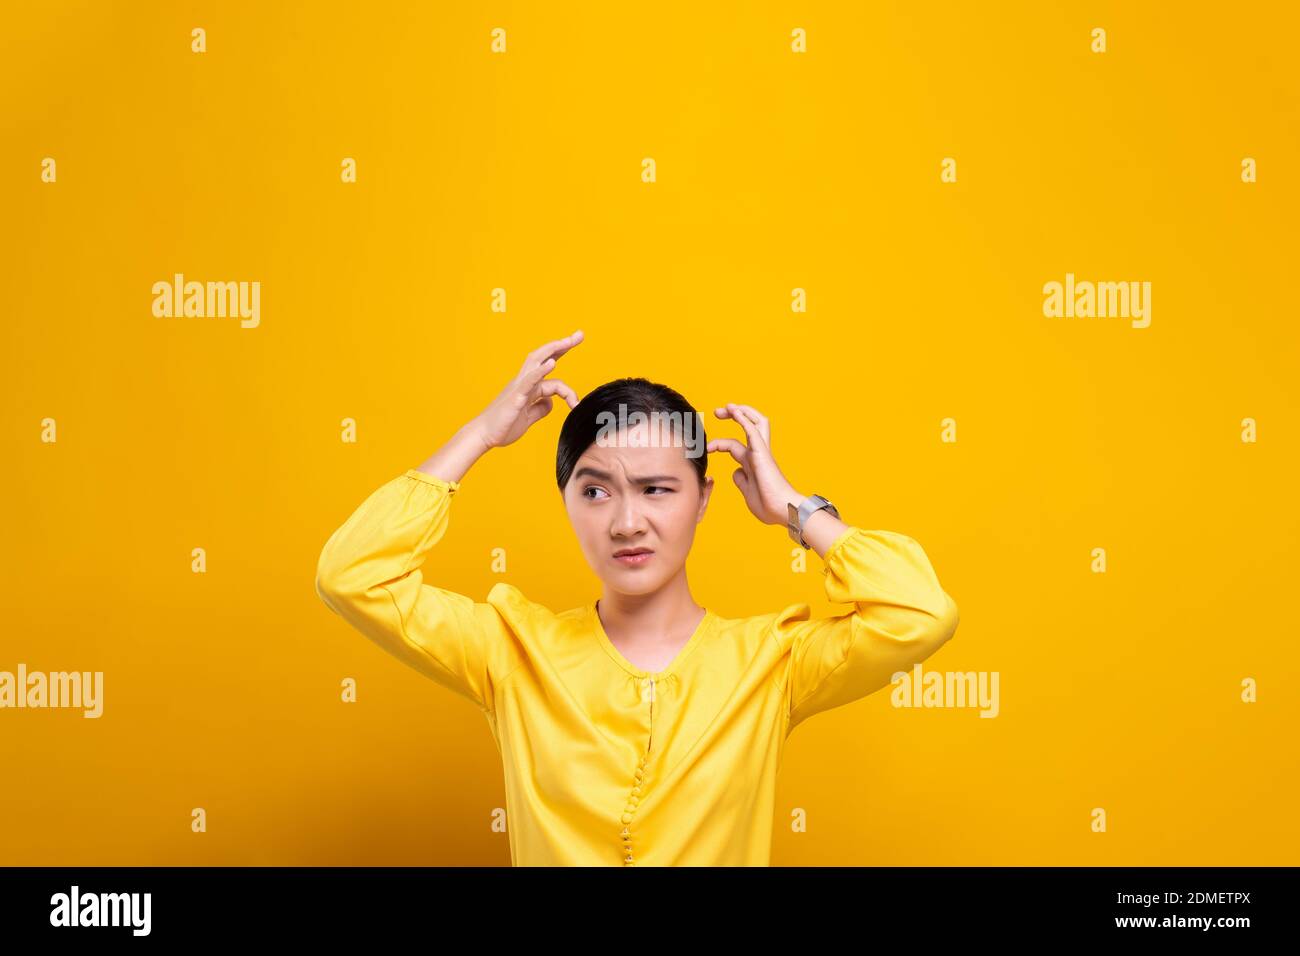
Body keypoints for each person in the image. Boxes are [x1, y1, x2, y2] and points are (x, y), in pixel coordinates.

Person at [314, 330, 959, 866]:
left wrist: (795, 507)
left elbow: (920, 613)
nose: (627, 522)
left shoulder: (772, 664)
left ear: (703, 498)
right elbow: (352, 575)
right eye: (594, 491)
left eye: (657, 489)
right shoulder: (510, 652)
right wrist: (481, 433)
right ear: (565, 502)